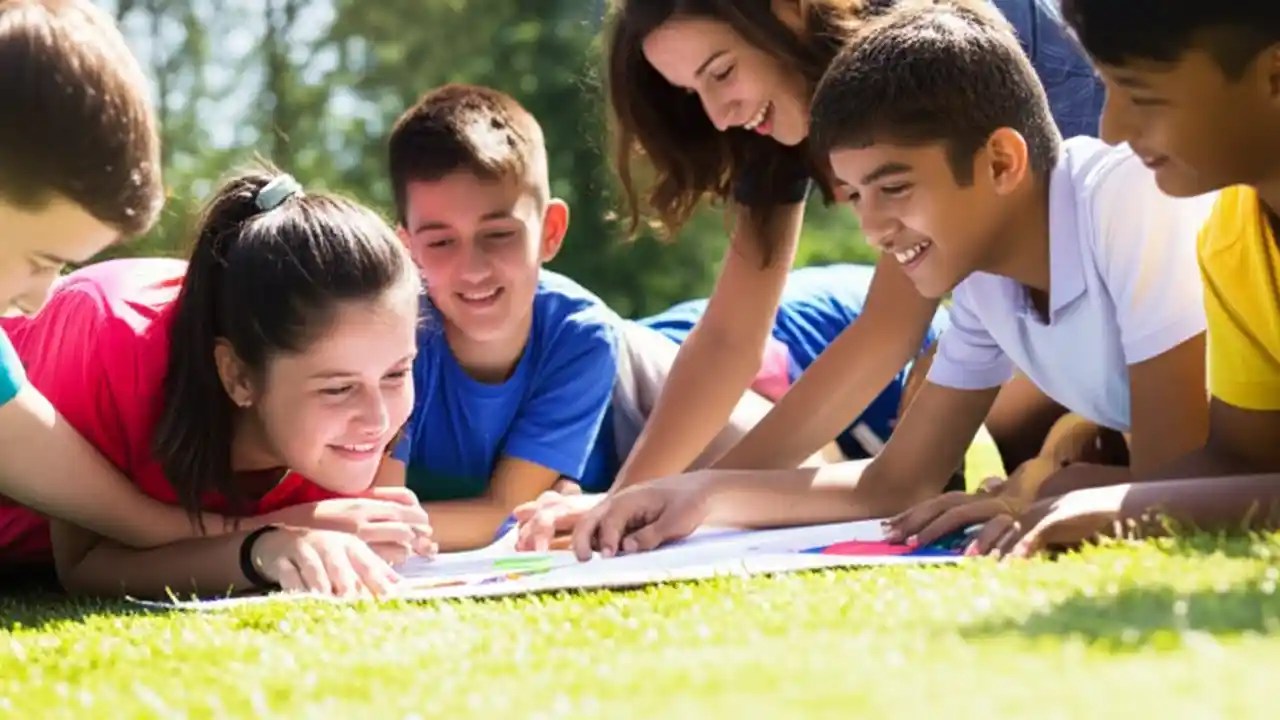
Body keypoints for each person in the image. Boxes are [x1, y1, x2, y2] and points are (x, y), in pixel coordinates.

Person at [566, 0, 1213, 560]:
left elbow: (1173, 478)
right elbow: (895, 480)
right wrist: (682, 493)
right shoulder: (982, 279)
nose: (871, 229)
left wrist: (1035, 487)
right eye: (853, 196)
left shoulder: (1118, 190)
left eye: (722, 72)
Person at [3, 168, 432, 598]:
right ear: (238, 375)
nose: (378, 419)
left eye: (396, 373)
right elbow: (83, 565)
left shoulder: (325, 416)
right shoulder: (110, 337)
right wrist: (268, 544)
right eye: (339, 389)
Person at [956, 0, 1280, 557]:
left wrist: (1131, 505)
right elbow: (1244, 459)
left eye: (1144, 97)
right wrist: (1078, 495)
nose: (1111, 129)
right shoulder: (1234, 237)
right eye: (1105, 88)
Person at [379, 85, 623, 552]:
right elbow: (380, 508)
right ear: (407, 250)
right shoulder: (397, 335)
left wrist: (386, 527)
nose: (473, 269)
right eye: (441, 242)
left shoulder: (583, 337)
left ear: (550, 232)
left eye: (498, 234)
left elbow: (506, 512)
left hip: (645, 380)